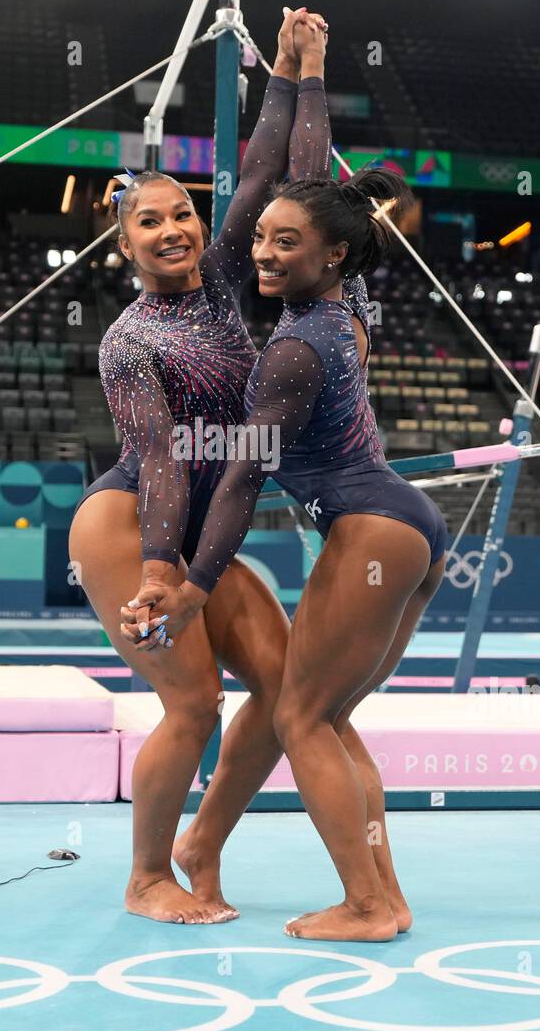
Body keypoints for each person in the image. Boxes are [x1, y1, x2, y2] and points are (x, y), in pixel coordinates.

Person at [69, 10, 397, 928]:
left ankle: (200, 845)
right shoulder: (129, 343)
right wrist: (164, 574)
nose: (174, 230)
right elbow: (168, 463)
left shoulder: (221, 276)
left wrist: (292, 75)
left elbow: (273, 177)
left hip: (200, 521)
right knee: (196, 699)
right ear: (124, 245)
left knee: (292, 689)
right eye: (150, 223)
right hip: (133, 519)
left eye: (181, 214)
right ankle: (145, 879)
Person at [124, 163, 448, 944]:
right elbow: (312, 184)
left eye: (286, 242)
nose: (263, 254)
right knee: (329, 718)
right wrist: (306, 77)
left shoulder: (292, 350)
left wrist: (195, 584)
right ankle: (387, 898)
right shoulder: (348, 305)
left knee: (301, 716)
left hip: (369, 527)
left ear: (334, 251)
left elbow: (240, 478)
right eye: (261, 237)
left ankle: (366, 906)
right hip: (412, 528)